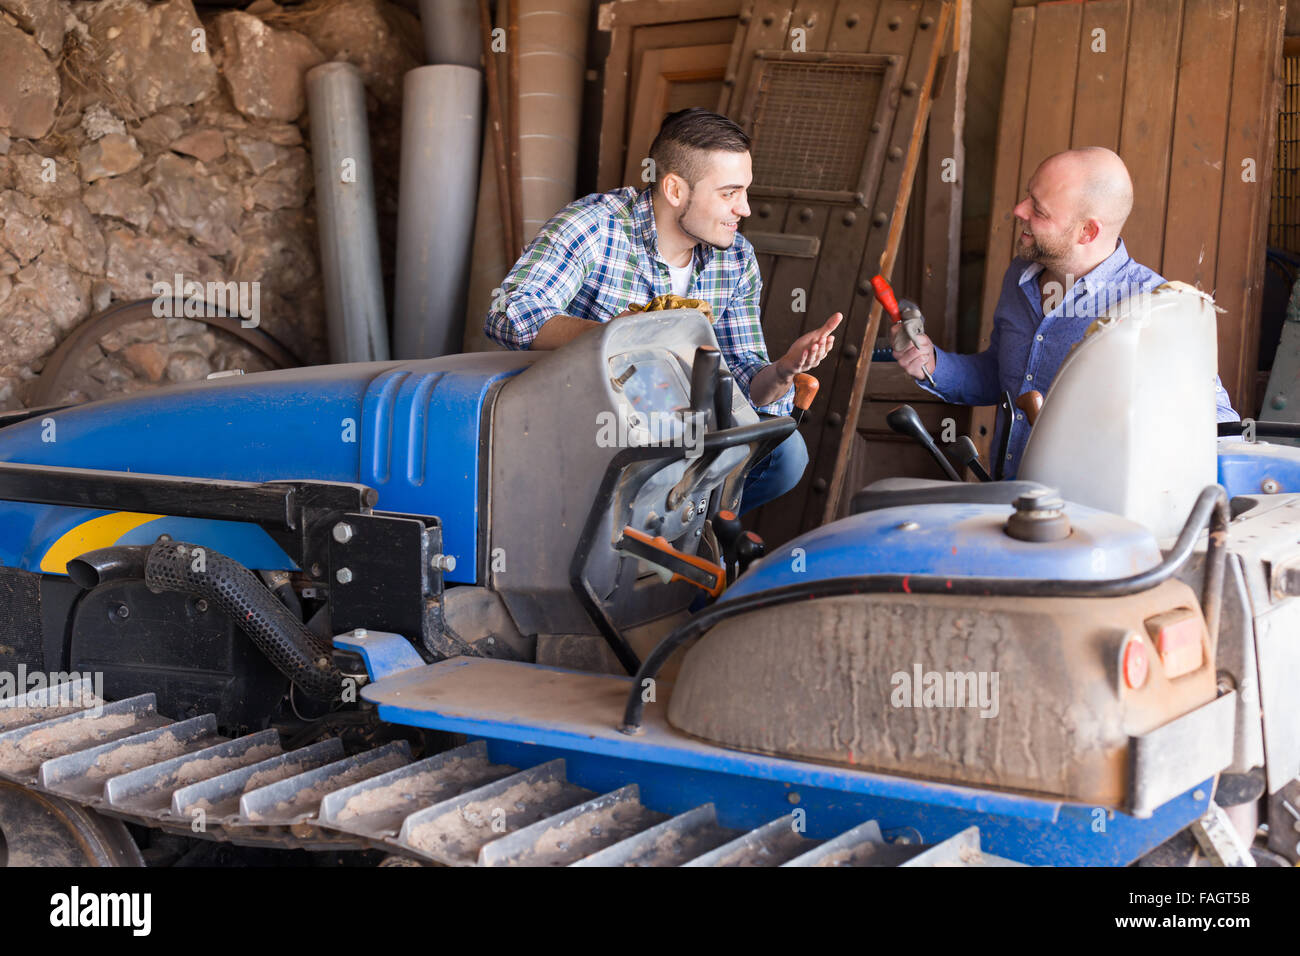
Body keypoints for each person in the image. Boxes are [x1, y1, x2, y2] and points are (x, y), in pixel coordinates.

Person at [485, 108, 841, 514]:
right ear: (674, 190)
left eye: (745, 191)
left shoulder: (736, 258)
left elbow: (745, 382)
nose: (744, 208)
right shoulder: (597, 224)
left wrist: (782, 371)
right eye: (729, 193)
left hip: (680, 431)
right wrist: (617, 336)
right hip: (585, 423)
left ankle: (674, 536)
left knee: (784, 454)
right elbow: (508, 311)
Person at [893, 146, 1238, 478]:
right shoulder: (1020, 275)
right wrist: (934, 365)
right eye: (1028, 195)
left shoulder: (1155, 306)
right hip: (1011, 504)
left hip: (1093, 523)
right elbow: (1003, 377)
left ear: (1088, 231)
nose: (1018, 210)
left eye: (1039, 211)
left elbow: (1220, 429)